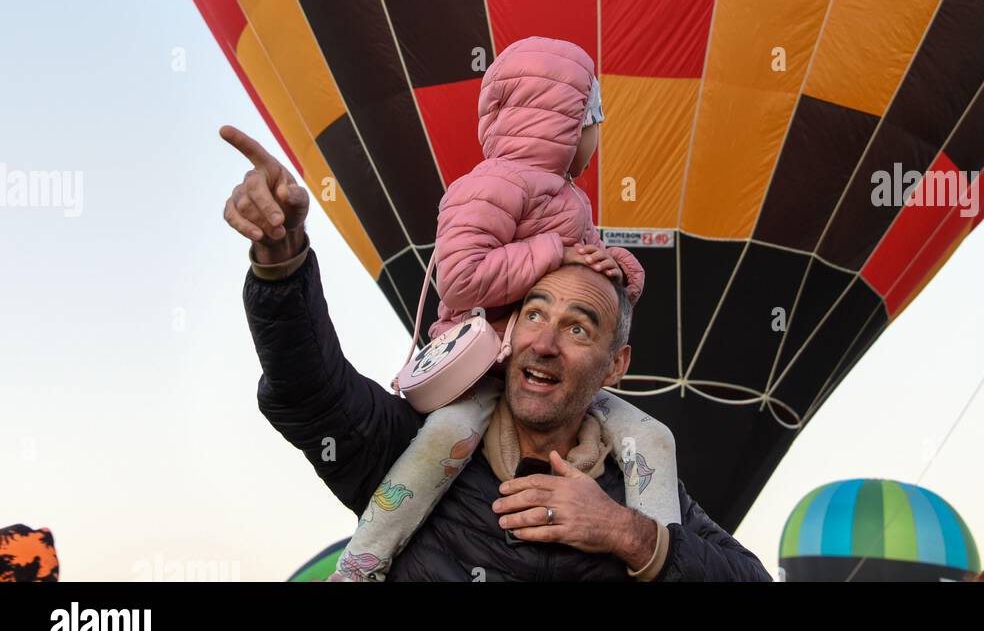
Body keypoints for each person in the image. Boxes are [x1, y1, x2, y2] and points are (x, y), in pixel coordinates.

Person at [224, 125, 771, 581]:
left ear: (617, 366)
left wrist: (628, 535)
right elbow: (307, 391)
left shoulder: (642, 491)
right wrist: (281, 262)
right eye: (533, 314)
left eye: (579, 330)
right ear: (505, 334)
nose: (546, 343)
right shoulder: (408, 451)